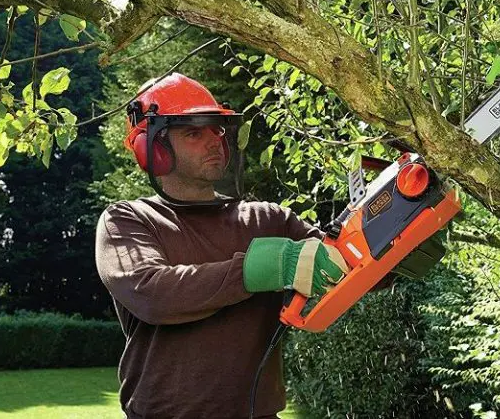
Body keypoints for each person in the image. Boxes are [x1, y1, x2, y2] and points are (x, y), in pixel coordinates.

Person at [95, 72, 349, 419]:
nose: (214, 140)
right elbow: (152, 294)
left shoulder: (267, 220)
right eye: (194, 132)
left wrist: (401, 226)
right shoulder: (129, 221)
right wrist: (256, 269)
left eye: (216, 128)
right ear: (154, 148)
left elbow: (346, 262)